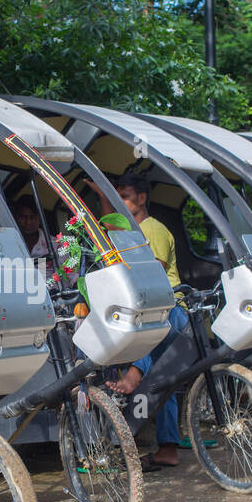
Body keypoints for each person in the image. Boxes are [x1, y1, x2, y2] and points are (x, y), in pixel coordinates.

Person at [87, 171, 187, 469]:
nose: (121, 202)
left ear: (142, 199)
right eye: (117, 197)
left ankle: (132, 374)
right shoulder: (130, 233)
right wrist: (104, 198)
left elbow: (151, 273)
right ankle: (167, 448)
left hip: (167, 309)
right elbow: (109, 234)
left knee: (137, 341)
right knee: (162, 383)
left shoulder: (151, 229)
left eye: (125, 197)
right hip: (150, 310)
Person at [13, 195, 52, 259]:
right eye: (23, 217)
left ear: (40, 219)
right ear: (15, 217)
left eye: (32, 217)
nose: (28, 222)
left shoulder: (54, 245)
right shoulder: (7, 242)